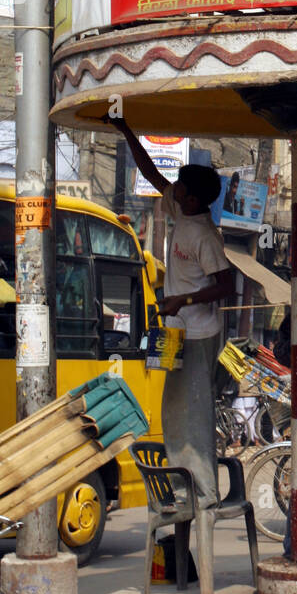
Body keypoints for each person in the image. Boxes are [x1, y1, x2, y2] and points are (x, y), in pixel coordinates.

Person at [109, 117, 233, 509]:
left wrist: (185, 300)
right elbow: (150, 170)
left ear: (193, 199)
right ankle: (186, 486)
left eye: (179, 186)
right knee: (173, 411)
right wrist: (125, 130)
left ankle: (202, 493)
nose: (172, 188)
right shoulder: (181, 213)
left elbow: (226, 286)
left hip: (200, 334)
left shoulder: (206, 236)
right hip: (177, 333)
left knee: (193, 414)